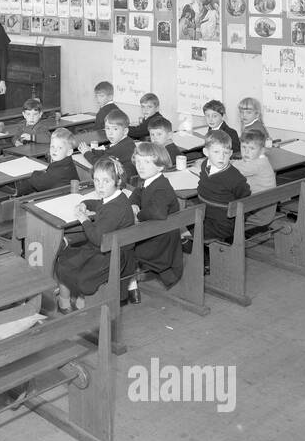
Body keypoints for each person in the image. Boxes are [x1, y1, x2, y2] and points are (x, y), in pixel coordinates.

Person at [53, 156, 137, 311]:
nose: (100, 186)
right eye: (97, 181)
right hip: (113, 249)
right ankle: (77, 299)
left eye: (106, 181)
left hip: (111, 256)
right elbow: (100, 204)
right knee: (71, 258)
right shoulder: (119, 197)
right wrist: (85, 203)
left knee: (64, 262)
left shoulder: (114, 209)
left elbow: (97, 238)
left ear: (117, 181)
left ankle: (66, 301)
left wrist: (84, 219)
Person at [130, 143, 183, 287]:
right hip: (157, 233)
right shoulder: (150, 180)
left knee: (118, 243)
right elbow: (137, 192)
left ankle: (129, 283)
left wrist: (138, 215)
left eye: (147, 162)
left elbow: (157, 212)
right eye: (138, 161)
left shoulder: (161, 187)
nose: (140, 166)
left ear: (160, 166)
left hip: (160, 243)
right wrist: (134, 204)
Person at [196, 130, 251, 243]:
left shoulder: (234, 177)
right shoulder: (204, 165)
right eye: (216, 152)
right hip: (204, 213)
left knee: (185, 230)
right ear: (206, 152)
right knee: (177, 222)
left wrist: (238, 220)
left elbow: (245, 198)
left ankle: (203, 254)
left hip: (223, 224)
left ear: (230, 154)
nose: (221, 157)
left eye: (225, 153)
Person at [232, 128, 278, 229]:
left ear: (262, 150)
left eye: (252, 148)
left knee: (224, 211)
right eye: (244, 147)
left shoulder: (257, 165)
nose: (246, 152)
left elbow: (232, 170)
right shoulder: (262, 160)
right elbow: (240, 164)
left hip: (259, 214)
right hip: (263, 208)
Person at [16, 128, 78, 195]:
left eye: (60, 148)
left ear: (69, 152)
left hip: (56, 198)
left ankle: (14, 194)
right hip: (61, 192)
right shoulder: (68, 163)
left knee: (27, 183)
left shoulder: (58, 171)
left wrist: (34, 173)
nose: (54, 150)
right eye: (52, 146)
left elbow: (40, 184)